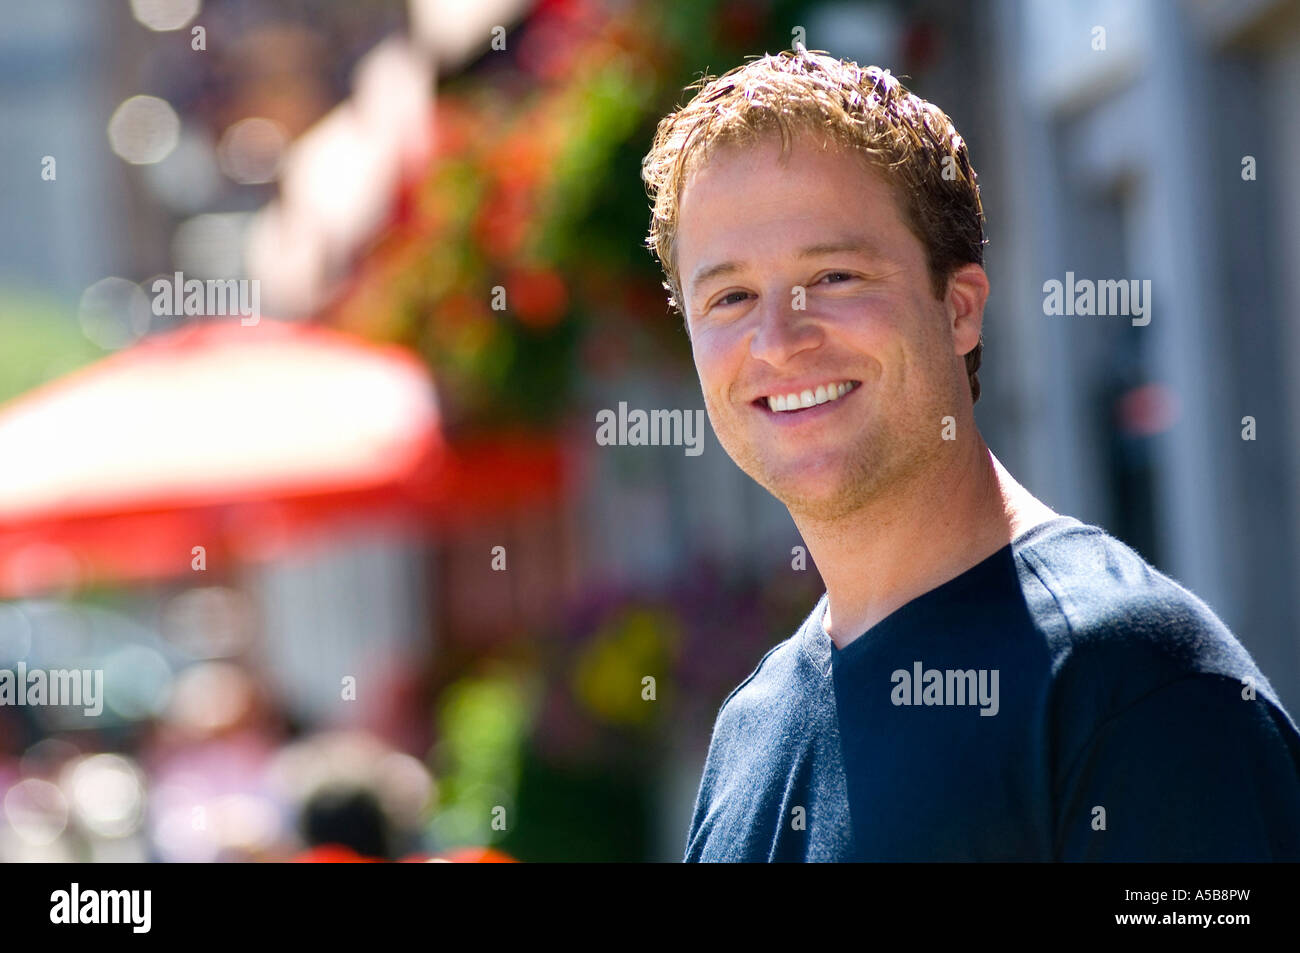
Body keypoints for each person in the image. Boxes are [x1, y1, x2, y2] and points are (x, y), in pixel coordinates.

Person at [639, 48, 1300, 861]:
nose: (778, 341)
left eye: (837, 275)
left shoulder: (1130, 682)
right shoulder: (750, 732)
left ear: (960, 309)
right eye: (731, 296)